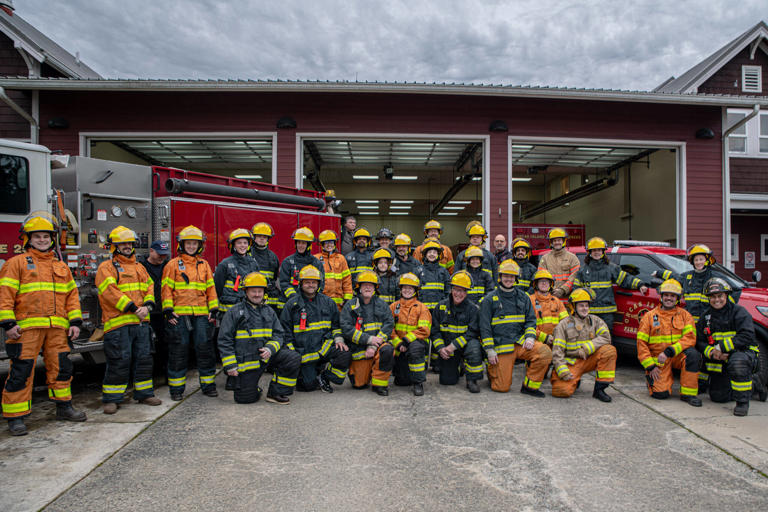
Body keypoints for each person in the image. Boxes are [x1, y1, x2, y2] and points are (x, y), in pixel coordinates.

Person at [0, 212, 86, 436]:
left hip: (57, 329)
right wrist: (8, 323)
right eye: (37, 236)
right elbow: (5, 296)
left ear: (52, 239)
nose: (42, 240)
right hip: (25, 329)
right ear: (28, 239)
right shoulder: (15, 264)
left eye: (46, 237)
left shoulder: (61, 267)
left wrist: (75, 322)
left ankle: (64, 407)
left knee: (62, 369)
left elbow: (72, 296)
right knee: (21, 371)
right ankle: (15, 417)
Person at [96, 226, 161, 414]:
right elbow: (110, 293)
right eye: (122, 244)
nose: (126, 247)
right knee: (119, 360)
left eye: (129, 243)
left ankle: (144, 393)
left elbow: (150, 287)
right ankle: (112, 398)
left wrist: (147, 307)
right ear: (114, 246)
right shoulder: (106, 268)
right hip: (118, 322)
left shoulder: (140, 267)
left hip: (141, 322)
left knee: (144, 358)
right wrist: (133, 308)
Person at [217, 272, 301, 405]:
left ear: (264, 292)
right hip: (247, 362)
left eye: (260, 291)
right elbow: (224, 340)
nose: (257, 294)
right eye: (253, 291)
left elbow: (279, 334)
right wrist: (230, 365)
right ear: (245, 292)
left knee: (292, 357)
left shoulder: (269, 311)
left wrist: (270, 348)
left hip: (267, 356)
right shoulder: (234, 312)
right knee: (245, 399)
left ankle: (276, 392)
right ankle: (252, 387)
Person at [161, 225, 219, 401]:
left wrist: (214, 309)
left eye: (195, 244)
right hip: (179, 315)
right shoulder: (172, 265)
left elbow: (211, 288)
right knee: (178, 351)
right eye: (189, 243)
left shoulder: (204, 265)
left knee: (205, 349)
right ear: (182, 245)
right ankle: (176, 389)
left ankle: (208, 385)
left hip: (202, 314)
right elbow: (166, 289)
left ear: (199, 246)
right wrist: (168, 311)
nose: (192, 246)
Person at [479, 260, 552, 396]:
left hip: (520, 343)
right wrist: (489, 350)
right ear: (500, 277)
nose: (509, 279)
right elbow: (485, 328)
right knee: (501, 387)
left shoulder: (523, 297)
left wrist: (530, 337)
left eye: (512, 276)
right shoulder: (489, 299)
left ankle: (529, 387)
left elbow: (531, 321)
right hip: (502, 346)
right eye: (506, 276)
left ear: (516, 278)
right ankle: (493, 370)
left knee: (544, 352)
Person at [280, 265, 351, 392]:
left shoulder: (328, 302)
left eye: (314, 282)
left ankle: (325, 376)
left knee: (344, 354)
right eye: (307, 282)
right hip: (303, 353)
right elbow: (285, 331)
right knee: (307, 386)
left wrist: (339, 340)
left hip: (324, 348)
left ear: (319, 284)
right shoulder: (292, 305)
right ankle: (311, 373)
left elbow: (336, 326)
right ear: (301, 283)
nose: (311, 285)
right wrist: (294, 353)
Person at [696, 277, 760, 416]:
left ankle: (743, 402)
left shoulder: (739, 312)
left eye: (720, 296)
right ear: (708, 298)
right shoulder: (706, 317)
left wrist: (721, 348)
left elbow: (747, 336)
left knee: (737, 363)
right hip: (719, 359)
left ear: (727, 295)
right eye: (712, 297)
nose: (716, 300)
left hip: (742, 354)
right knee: (719, 397)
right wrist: (711, 351)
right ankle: (752, 385)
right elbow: (699, 341)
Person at [636, 279, 702, 407]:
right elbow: (641, 344)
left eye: (672, 296)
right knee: (660, 395)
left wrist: (669, 351)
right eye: (666, 295)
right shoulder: (649, 317)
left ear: (677, 298)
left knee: (693, 355)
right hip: (658, 360)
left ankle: (688, 394)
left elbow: (690, 338)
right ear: (661, 297)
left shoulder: (685, 316)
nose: (669, 298)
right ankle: (654, 381)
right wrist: (650, 366)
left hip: (676, 355)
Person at [550, 288, 617, 402]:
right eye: (581, 305)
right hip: (571, 362)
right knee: (561, 391)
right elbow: (557, 351)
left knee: (609, 350)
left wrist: (586, 348)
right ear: (573, 307)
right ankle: (570, 378)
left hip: (589, 359)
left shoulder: (596, 321)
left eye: (586, 305)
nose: (585, 308)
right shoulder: (563, 325)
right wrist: (563, 371)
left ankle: (599, 390)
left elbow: (606, 337)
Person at [573, 237, 647, 333]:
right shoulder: (583, 270)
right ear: (589, 252)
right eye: (594, 250)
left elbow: (625, 279)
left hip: (606, 313)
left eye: (599, 250)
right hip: (588, 312)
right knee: (588, 337)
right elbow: (576, 290)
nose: (597, 252)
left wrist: (640, 284)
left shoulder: (611, 268)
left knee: (606, 338)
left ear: (603, 251)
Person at [340, 271, 395, 396]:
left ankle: (379, 385)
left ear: (375, 288)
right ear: (358, 288)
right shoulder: (351, 305)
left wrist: (373, 345)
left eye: (371, 285)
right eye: (364, 285)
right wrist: (368, 339)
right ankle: (367, 372)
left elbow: (388, 325)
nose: (368, 287)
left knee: (387, 350)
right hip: (359, 349)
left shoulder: (382, 305)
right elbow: (346, 328)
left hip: (378, 346)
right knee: (359, 384)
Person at [655, 244, 741, 323]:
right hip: (689, 323)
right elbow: (675, 277)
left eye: (701, 259)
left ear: (707, 260)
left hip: (709, 322)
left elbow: (736, 289)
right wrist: (659, 273)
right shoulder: (688, 276)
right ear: (692, 262)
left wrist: (725, 307)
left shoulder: (715, 276)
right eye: (696, 260)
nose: (698, 262)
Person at [431, 271, 484, 392]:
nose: (458, 294)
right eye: (456, 289)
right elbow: (435, 331)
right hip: (448, 348)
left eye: (462, 290)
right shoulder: (440, 307)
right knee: (447, 381)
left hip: (463, 345)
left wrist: (453, 346)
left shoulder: (473, 309)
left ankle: (472, 379)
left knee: (474, 347)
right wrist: (441, 348)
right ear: (451, 289)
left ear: (466, 292)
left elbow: (473, 333)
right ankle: (459, 366)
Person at [390, 273, 432, 396]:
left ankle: (418, 383)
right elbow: (389, 328)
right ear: (401, 289)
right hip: (399, 347)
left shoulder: (421, 308)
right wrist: (398, 343)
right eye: (405, 288)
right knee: (402, 381)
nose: (407, 290)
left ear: (415, 290)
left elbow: (424, 330)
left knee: (415, 348)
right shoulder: (393, 306)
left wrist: (407, 341)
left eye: (410, 288)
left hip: (416, 343)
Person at [138, 240, 170, 380]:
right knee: (146, 347)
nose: (162, 257)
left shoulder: (168, 266)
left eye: (164, 255)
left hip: (163, 312)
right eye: (159, 254)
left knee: (166, 345)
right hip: (147, 312)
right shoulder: (141, 266)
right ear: (151, 251)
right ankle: (147, 375)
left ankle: (165, 374)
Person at [214, 229, 261, 314]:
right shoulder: (225, 264)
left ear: (249, 245)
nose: (242, 245)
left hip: (249, 310)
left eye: (245, 243)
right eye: (239, 243)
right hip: (228, 312)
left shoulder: (253, 263)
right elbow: (217, 289)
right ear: (234, 245)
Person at [278, 227, 325, 304]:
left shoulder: (316, 263)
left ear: (309, 245)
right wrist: (294, 297)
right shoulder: (288, 262)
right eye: (298, 242)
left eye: (303, 243)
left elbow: (321, 284)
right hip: (291, 302)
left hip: (311, 302)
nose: (300, 245)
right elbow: (284, 283)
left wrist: (312, 297)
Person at [314, 230, 353, 310]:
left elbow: (347, 280)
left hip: (339, 303)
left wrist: (347, 298)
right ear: (322, 244)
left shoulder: (341, 258)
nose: (329, 245)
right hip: (321, 301)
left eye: (331, 242)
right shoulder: (316, 259)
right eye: (327, 242)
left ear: (334, 244)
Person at [537, 227, 580, 298]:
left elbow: (574, 277)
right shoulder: (545, 258)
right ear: (551, 242)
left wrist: (563, 290)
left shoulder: (572, 258)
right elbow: (541, 277)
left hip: (567, 298)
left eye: (559, 240)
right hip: (549, 297)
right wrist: (550, 290)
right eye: (554, 240)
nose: (557, 242)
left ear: (563, 241)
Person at [530, 269, 568, 347]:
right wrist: (544, 337)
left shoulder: (556, 301)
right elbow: (527, 325)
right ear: (536, 284)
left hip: (556, 341)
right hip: (536, 342)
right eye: (541, 281)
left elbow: (567, 322)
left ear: (550, 284)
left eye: (546, 281)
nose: (544, 283)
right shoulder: (530, 301)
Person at [250, 222, 282, 312]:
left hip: (271, 298)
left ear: (268, 239)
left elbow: (276, 278)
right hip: (253, 295)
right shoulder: (248, 254)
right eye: (259, 236)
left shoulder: (273, 257)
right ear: (254, 237)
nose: (261, 239)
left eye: (264, 237)